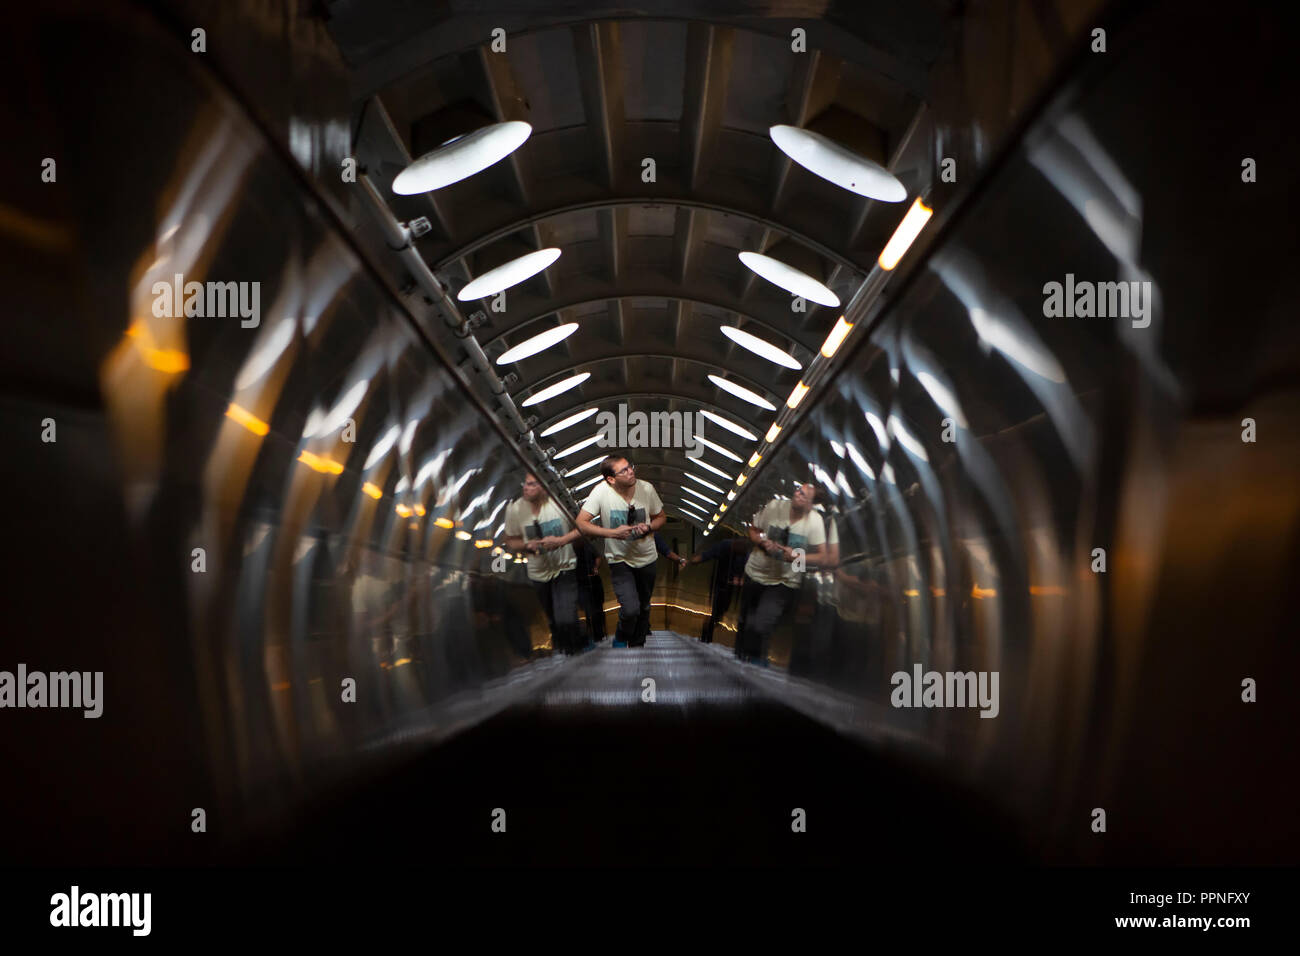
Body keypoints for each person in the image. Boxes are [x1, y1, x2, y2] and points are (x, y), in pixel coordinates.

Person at [576, 455, 665, 648]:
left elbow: (660, 517)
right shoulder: (600, 492)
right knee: (631, 608)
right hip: (619, 560)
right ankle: (622, 633)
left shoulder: (646, 489)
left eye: (630, 467)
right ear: (611, 479)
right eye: (623, 470)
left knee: (644, 606)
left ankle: (637, 647)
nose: (631, 471)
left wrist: (649, 528)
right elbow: (581, 524)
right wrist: (611, 533)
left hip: (647, 558)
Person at [736, 482, 826, 664]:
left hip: (784, 581)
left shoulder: (815, 521)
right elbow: (754, 530)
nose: (798, 495)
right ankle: (742, 657)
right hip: (756, 572)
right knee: (747, 621)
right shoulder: (774, 506)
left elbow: (822, 557)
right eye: (798, 490)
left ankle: (757, 663)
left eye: (804, 496)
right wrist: (762, 542)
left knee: (763, 622)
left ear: (811, 504)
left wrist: (796, 557)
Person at [502, 473, 584, 655]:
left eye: (532, 485)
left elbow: (582, 528)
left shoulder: (558, 504)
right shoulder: (515, 509)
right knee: (553, 617)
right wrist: (526, 545)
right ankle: (565, 647)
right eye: (525, 484)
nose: (526, 488)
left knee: (565, 615)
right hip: (538, 572)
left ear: (544, 488)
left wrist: (561, 540)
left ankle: (575, 651)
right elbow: (509, 540)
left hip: (564, 567)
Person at [688, 536, 750, 643]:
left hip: (730, 585)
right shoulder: (725, 545)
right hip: (720, 581)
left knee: (722, 609)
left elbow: (748, 568)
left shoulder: (744, 554)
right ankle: (707, 635)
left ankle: (710, 627)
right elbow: (708, 554)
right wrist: (693, 561)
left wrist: (740, 579)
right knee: (716, 609)